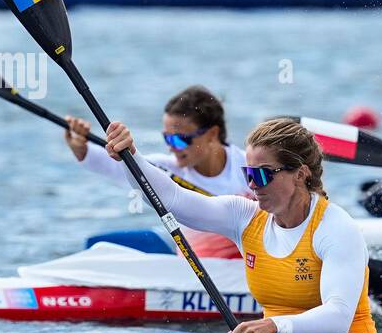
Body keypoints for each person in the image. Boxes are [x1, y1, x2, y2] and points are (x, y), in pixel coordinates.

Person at [102, 116, 382, 333]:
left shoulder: (335, 227)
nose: (252, 185)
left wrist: (271, 326)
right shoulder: (245, 217)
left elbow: (337, 319)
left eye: (262, 174)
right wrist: (132, 158)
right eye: (248, 174)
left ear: (300, 174)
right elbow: (172, 199)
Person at [66, 86, 250, 258]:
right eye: (167, 139)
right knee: (97, 245)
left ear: (212, 134)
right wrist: (81, 147)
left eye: (180, 140)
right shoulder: (167, 169)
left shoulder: (251, 167)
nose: (172, 148)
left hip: (247, 264)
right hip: (197, 262)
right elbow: (114, 164)